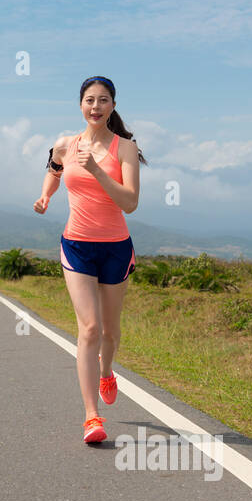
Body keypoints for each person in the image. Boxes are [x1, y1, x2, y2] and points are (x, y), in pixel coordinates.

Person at [33, 76, 147, 444]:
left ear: (113, 106)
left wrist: (97, 170)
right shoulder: (66, 144)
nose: (95, 107)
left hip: (115, 248)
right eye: (89, 100)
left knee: (110, 333)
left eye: (103, 100)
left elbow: (129, 202)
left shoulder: (125, 149)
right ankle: (91, 417)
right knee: (90, 330)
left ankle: (107, 371)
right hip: (77, 245)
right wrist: (45, 196)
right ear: (80, 105)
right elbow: (54, 168)